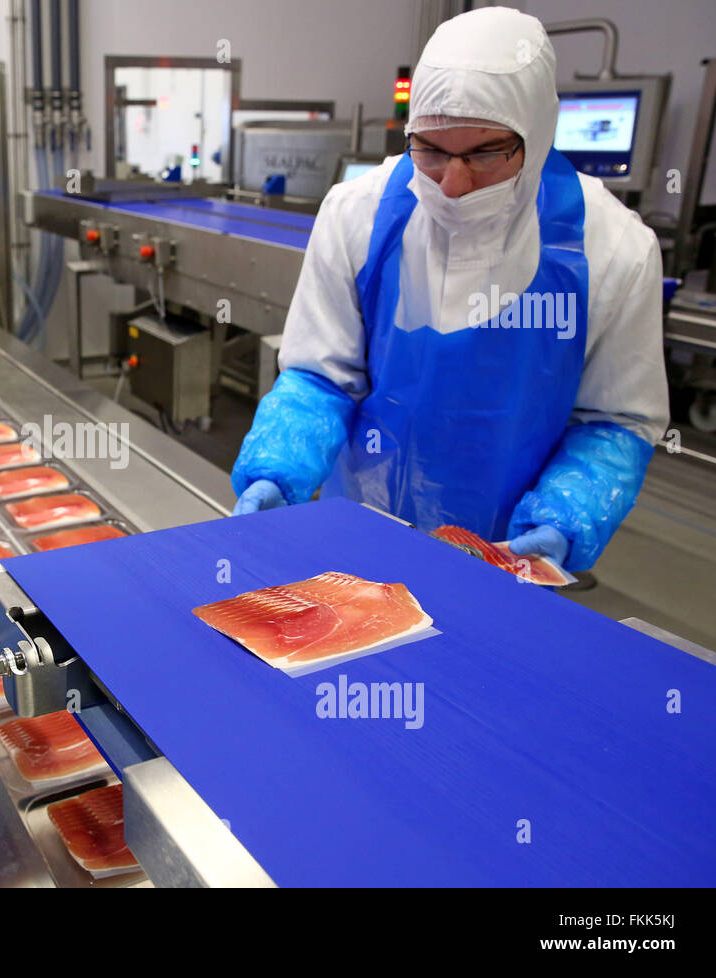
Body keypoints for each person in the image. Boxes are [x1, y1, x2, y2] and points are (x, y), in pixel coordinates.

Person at [231, 6, 668, 573]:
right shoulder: (356, 214)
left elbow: (616, 421)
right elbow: (320, 376)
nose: (454, 183)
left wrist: (564, 516)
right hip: (360, 525)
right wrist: (277, 469)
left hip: (504, 548)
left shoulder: (613, 250)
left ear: (535, 136)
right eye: (431, 151)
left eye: (486, 153)